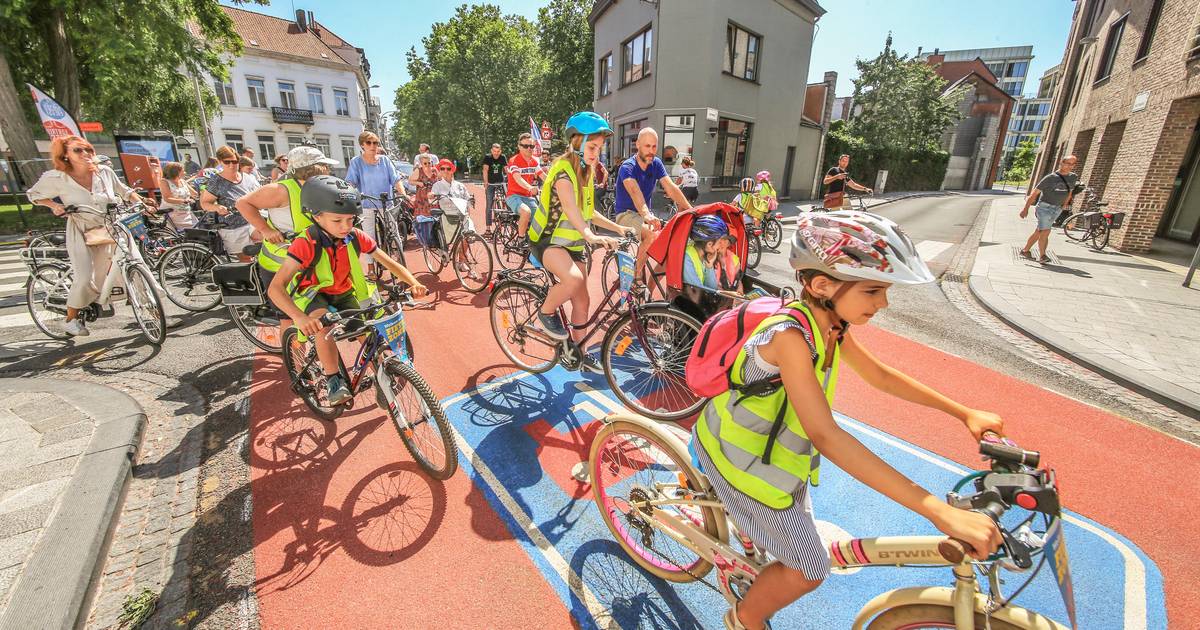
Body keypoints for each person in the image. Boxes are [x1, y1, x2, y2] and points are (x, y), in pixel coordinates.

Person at [695, 211, 1004, 630]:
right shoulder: (789, 336)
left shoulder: (831, 324)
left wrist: (963, 412)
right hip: (739, 457)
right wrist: (935, 510)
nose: (883, 303)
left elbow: (880, 377)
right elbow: (825, 434)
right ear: (822, 285)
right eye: (874, 290)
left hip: (773, 458)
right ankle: (743, 617)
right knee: (809, 569)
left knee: (790, 537)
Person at [266, 176, 426, 405]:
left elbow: (388, 262)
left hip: (343, 292)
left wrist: (413, 282)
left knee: (366, 331)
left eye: (351, 219)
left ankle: (382, 374)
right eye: (337, 220)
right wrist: (299, 318)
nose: (346, 227)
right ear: (316, 215)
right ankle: (333, 380)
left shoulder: (354, 236)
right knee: (322, 327)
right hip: (312, 294)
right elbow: (275, 288)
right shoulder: (305, 243)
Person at [26, 135, 158, 337]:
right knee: (85, 276)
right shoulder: (57, 177)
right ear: (66, 155)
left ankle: (153, 314)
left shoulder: (104, 171)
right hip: (82, 229)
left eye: (88, 149)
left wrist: (142, 201)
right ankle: (70, 319)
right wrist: (54, 206)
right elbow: (33, 194)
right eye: (78, 150)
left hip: (111, 225)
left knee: (136, 263)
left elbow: (123, 190)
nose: (86, 154)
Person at [527, 111, 629, 372]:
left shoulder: (587, 171)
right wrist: (592, 236)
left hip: (572, 245)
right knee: (573, 279)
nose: (597, 152)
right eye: (592, 146)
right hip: (548, 241)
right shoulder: (562, 171)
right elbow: (571, 210)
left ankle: (579, 355)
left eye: (599, 148)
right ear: (577, 142)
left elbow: (588, 211)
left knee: (582, 302)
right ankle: (546, 312)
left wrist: (618, 228)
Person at [614, 127, 694, 278]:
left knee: (670, 242)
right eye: (647, 146)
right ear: (637, 145)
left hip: (645, 217)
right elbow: (635, 193)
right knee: (651, 234)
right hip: (626, 215)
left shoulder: (656, 163)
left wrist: (692, 211)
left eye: (654, 146)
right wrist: (646, 214)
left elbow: (671, 188)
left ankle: (650, 287)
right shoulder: (627, 167)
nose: (651, 151)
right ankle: (634, 277)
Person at [344, 131, 405, 271]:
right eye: (369, 143)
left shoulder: (384, 160)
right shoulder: (356, 162)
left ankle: (398, 260)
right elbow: (351, 182)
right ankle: (371, 267)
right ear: (362, 145)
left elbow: (396, 179)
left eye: (375, 143)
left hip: (387, 203)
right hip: (367, 204)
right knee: (369, 236)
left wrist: (403, 194)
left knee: (394, 232)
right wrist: (349, 194)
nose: (373, 146)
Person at [200, 145, 261, 260]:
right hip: (233, 226)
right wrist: (217, 207)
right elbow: (205, 203)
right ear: (220, 162)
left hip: (252, 221)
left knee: (268, 246)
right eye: (227, 162)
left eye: (234, 161)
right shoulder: (216, 181)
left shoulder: (247, 177)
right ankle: (247, 277)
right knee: (246, 260)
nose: (232, 165)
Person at [679, 215, 740, 319]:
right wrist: (725, 293)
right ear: (709, 245)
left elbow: (711, 287)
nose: (720, 245)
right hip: (690, 307)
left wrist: (709, 266)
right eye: (719, 241)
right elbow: (696, 290)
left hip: (700, 305)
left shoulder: (705, 256)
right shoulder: (687, 257)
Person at [1019, 155, 1079, 263]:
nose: (1070, 166)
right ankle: (1043, 256)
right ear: (1061, 163)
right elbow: (1034, 194)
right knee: (1046, 231)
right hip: (1044, 208)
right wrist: (1025, 209)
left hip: (1058, 208)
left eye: (1073, 164)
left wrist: (1065, 204)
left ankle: (1025, 250)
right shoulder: (1050, 178)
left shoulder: (1073, 177)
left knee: (1040, 231)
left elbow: (1070, 192)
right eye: (1068, 163)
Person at [430, 158, 477, 274]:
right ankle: (446, 252)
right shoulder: (437, 186)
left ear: (452, 170)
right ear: (439, 171)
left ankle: (461, 261)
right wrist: (431, 196)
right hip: (447, 216)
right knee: (454, 237)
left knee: (468, 235)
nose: (445, 171)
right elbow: (430, 197)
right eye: (442, 168)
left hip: (462, 215)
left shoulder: (460, 186)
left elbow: (468, 199)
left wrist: (471, 200)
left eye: (448, 168)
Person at [507, 132, 543, 239]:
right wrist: (530, 187)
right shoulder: (514, 161)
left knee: (540, 217)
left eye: (531, 146)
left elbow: (545, 176)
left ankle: (533, 240)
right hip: (513, 196)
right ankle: (521, 238)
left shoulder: (534, 162)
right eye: (525, 146)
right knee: (526, 211)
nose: (529, 148)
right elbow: (518, 178)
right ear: (519, 146)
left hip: (528, 197)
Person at [158, 161, 199, 230]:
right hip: (172, 213)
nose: (185, 172)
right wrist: (184, 200)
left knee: (196, 228)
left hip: (186, 212)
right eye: (183, 171)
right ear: (175, 172)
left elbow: (195, 194)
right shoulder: (164, 182)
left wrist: (206, 193)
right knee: (186, 234)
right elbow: (167, 198)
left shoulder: (182, 181)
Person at [481, 143, 508, 235]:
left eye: (498, 151)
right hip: (490, 183)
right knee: (489, 205)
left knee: (508, 201)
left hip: (501, 182)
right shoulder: (488, 158)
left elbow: (506, 170)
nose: (496, 153)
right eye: (494, 151)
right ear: (491, 151)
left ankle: (505, 223)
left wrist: (510, 180)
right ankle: (488, 228)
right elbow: (485, 170)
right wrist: (486, 182)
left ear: (500, 151)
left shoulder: (503, 157)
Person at [408, 153, 438, 218]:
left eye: (429, 163)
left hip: (433, 199)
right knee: (423, 221)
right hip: (422, 201)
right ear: (421, 163)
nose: (427, 165)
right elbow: (410, 181)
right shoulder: (419, 171)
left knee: (435, 219)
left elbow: (439, 181)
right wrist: (419, 183)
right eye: (425, 163)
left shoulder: (434, 170)